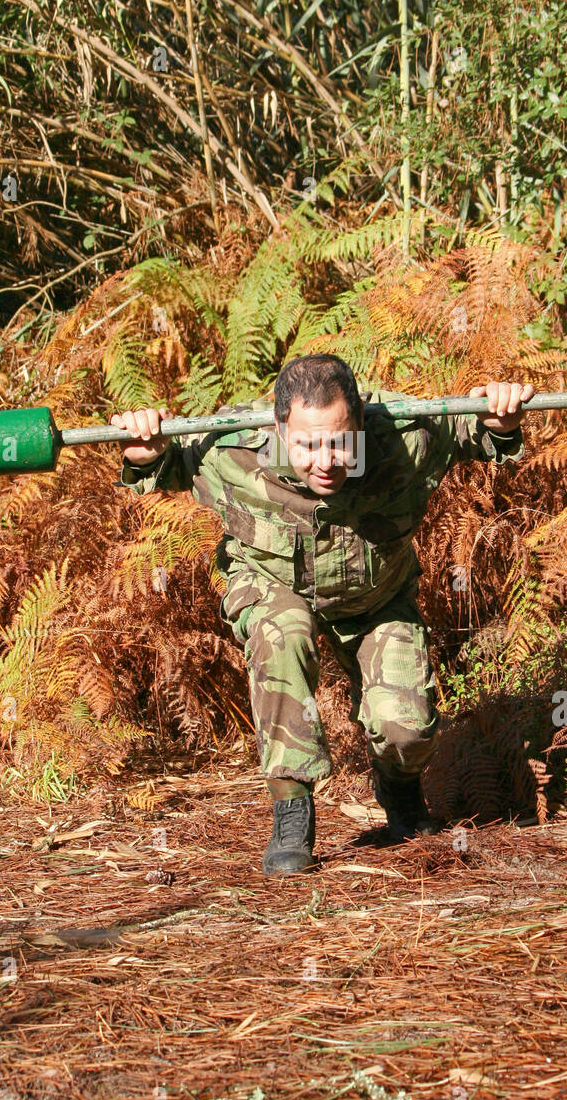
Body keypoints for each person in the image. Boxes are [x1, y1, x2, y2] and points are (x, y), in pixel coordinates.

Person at [112, 354, 534, 876]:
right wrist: (143, 447)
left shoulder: (405, 436)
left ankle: (399, 791)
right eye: (308, 444)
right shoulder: (232, 449)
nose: (327, 460)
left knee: (406, 730)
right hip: (274, 587)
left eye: (340, 441)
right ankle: (292, 808)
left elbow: (477, 426)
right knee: (281, 633)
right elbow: (165, 461)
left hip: (376, 597)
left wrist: (500, 414)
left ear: (360, 420)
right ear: (279, 427)